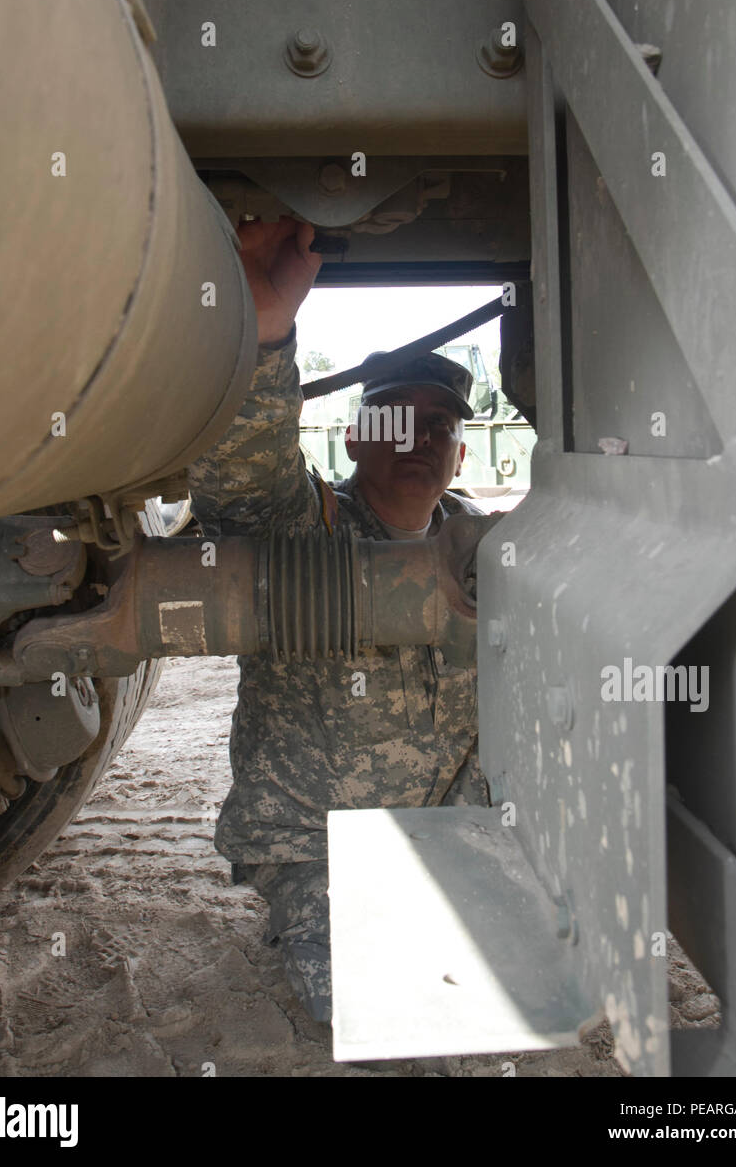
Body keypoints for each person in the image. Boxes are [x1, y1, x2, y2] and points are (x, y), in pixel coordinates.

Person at [188, 216, 489, 1023]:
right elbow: (243, 482)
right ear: (357, 437)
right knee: (369, 1001)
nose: (421, 439)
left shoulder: (482, 548)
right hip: (317, 845)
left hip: (453, 833)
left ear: (462, 455)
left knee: (519, 977)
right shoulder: (307, 527)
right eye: (396, 420)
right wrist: (263, 334)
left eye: (442, 426)